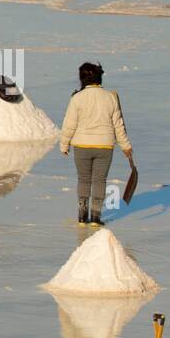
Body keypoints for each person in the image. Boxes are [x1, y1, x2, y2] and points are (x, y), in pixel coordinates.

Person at [59, 62, 133, 226]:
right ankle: (96, 217)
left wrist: (64, 145)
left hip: (82, 146)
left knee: (83, 179)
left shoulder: (77, 98)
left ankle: (82, 215)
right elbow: (118, 125)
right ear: (99, 78)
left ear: (82, 79)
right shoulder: (110, 97)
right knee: (100, 180)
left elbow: (69, 124)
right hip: (104, 146)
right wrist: (126, 146)